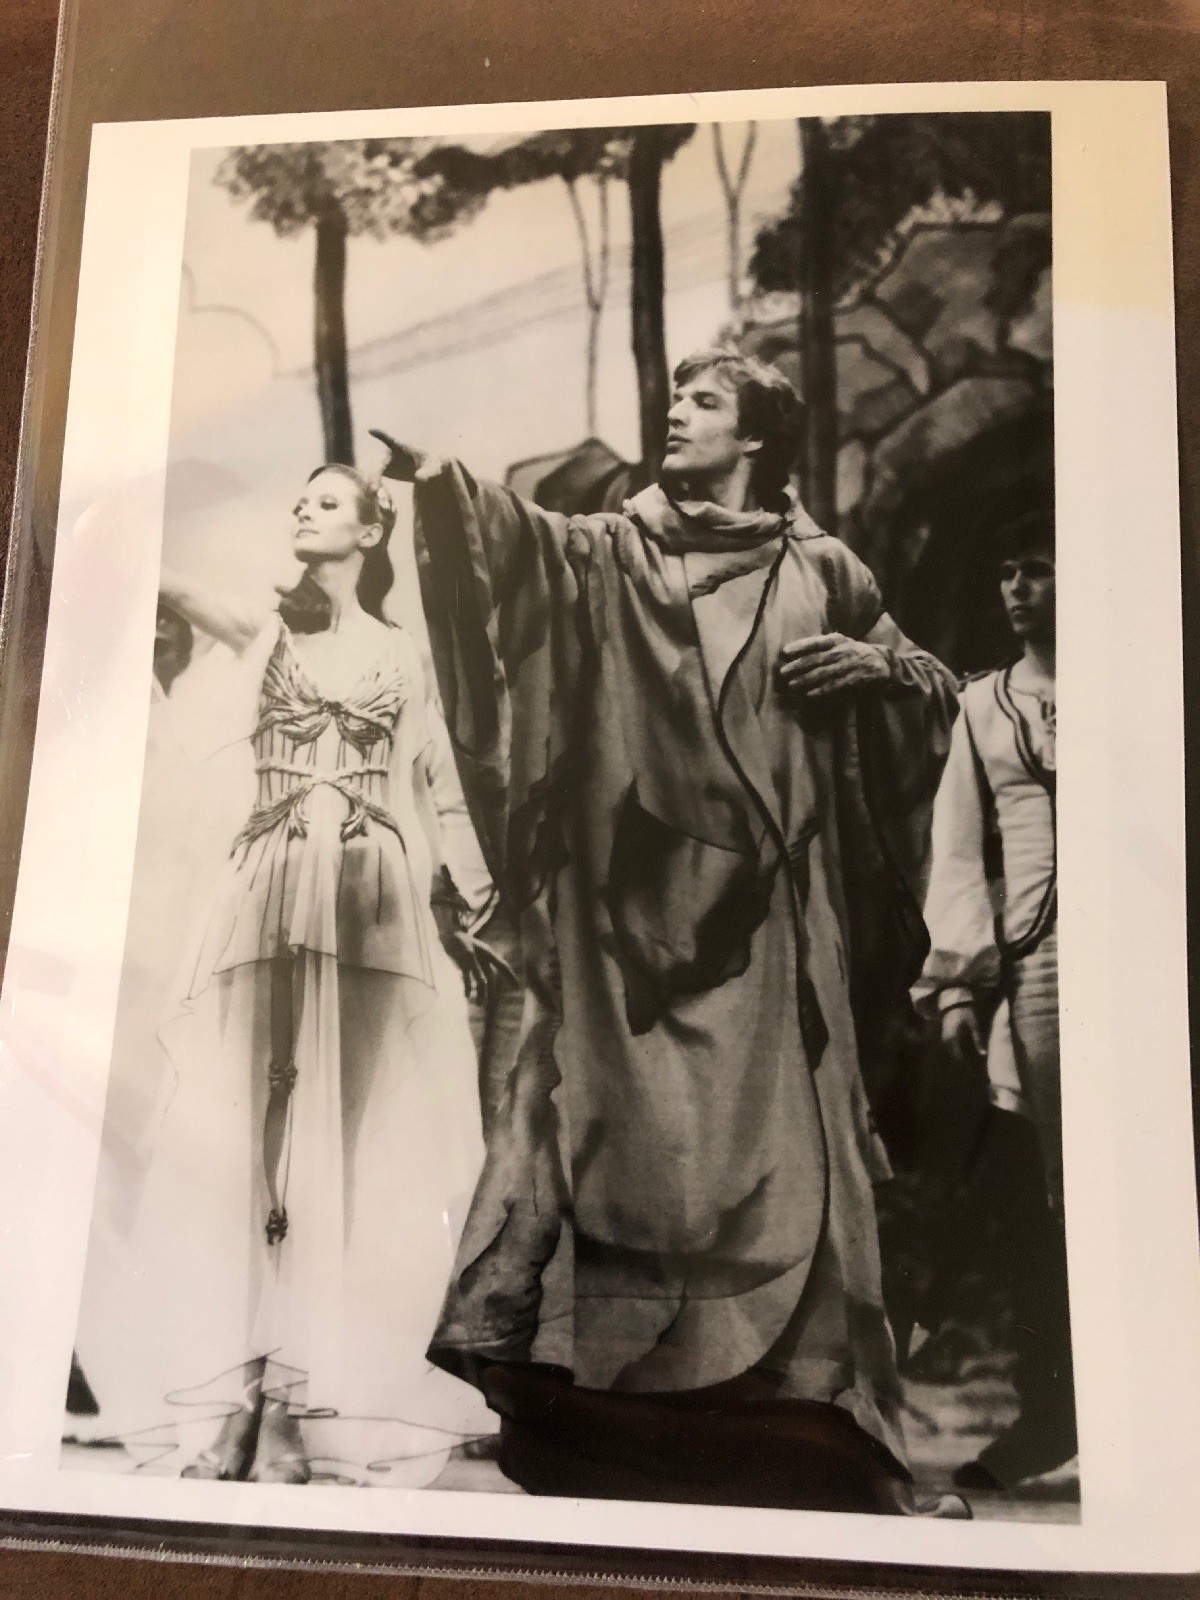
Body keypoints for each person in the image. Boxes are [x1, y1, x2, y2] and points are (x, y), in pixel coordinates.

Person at [372, 349, 962, 1515]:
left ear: (756, 439)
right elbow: (517, 547)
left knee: (798, 1157)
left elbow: (933, 686)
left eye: (703, 401)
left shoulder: (825, 569)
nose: (675, 414)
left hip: (775, 930)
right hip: (617, 930)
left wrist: (878, 670)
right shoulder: (609, 548)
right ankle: (598, 1437)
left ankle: (810, 1442)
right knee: (587, 1146)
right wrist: (445, 484)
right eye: (675, 395)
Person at [73, 464, 505, 1487]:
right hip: (268, 891)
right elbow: (158, 583)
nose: (302, 508)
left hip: (370, 899)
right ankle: (239, 1405)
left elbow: (441, 783)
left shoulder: (403, 653)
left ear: (371, 529)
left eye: (325, 500)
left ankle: (299, 1413)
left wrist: (478, 904)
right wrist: (88, 512)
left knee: (338, 1160)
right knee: (254, 1158)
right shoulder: (268, 633)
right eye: (296, 497)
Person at [914, 509, 1074, 1490]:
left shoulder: (1139, 676)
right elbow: (961, 850)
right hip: (1039, 964)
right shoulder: (986, 704)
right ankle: (1051, 1410)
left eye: (1041, 569)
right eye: (1008, 572)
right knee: (1044, 1189)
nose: (1020, 588)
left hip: (1141, 959)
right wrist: (963, 982)